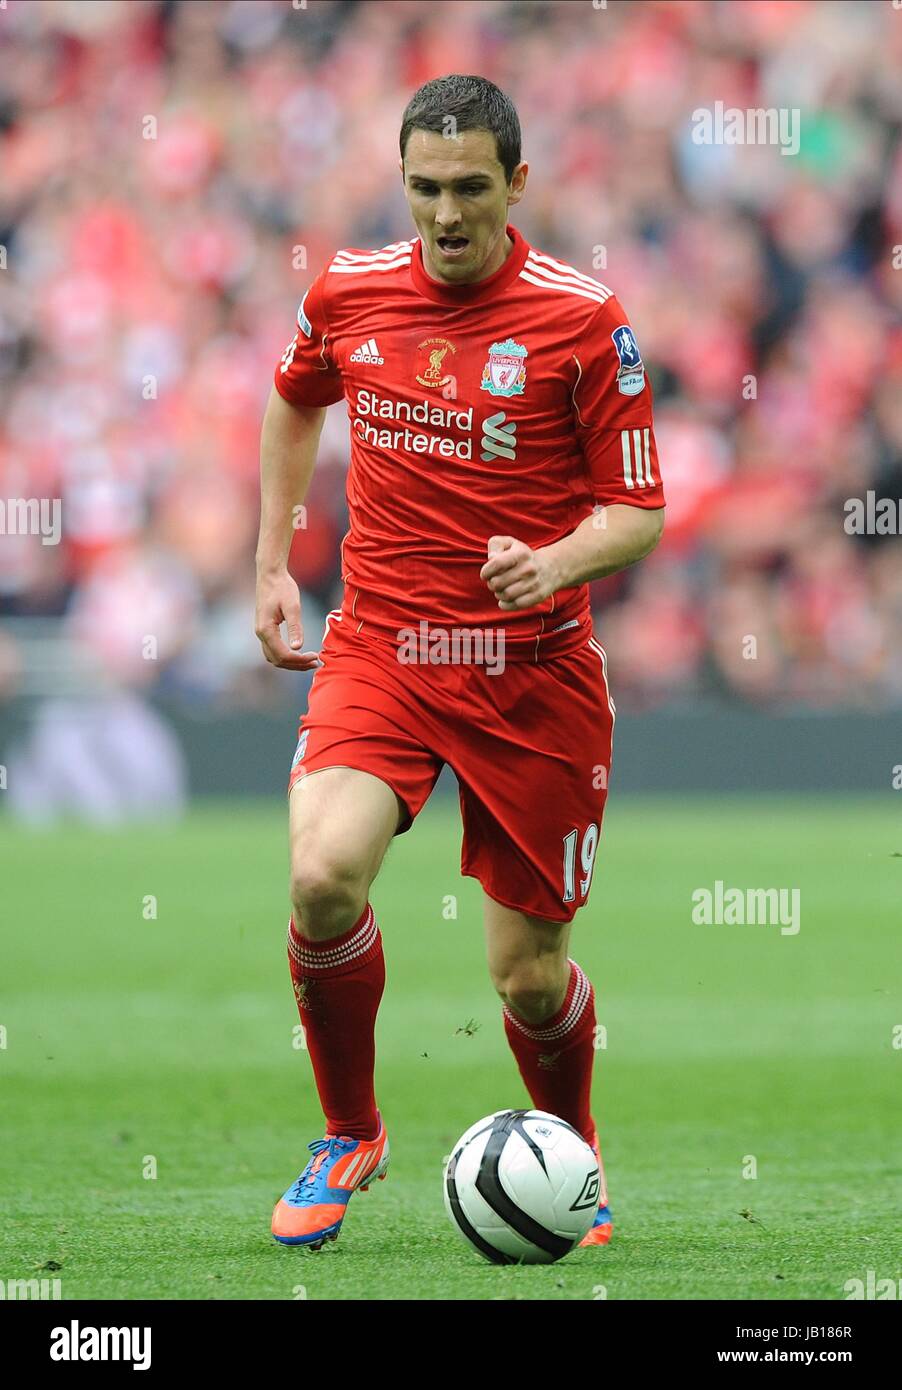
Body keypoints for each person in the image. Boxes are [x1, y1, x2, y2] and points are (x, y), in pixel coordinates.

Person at [255, 74, 665, 1250]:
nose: (444, 213)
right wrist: (273, 563)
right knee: (322, 876)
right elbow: (291, 405)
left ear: (516, 183)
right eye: (425, 187)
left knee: (528, 979)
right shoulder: (346, 291)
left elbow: (636, 510)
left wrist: (555, 559)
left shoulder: (583, 320)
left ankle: (570, 1155)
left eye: (470, 187)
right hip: (380, 645)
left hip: (528, 672)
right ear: (403, 182)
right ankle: (350, 1130)